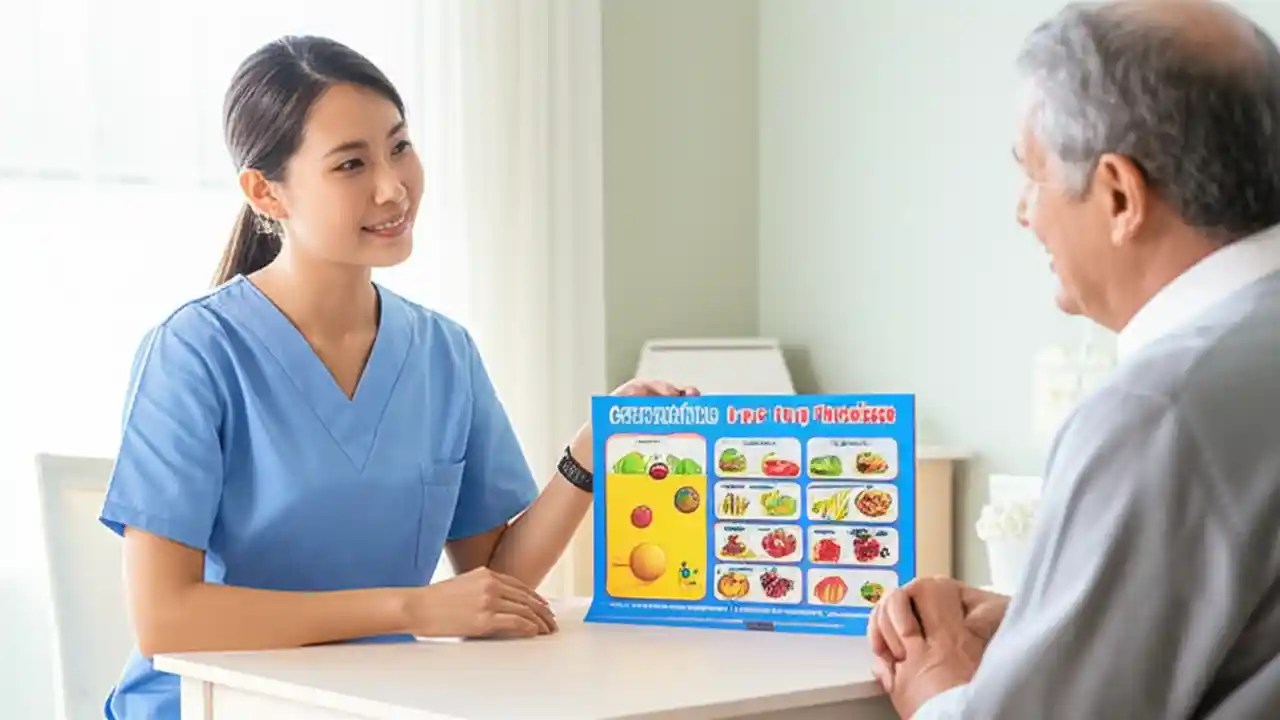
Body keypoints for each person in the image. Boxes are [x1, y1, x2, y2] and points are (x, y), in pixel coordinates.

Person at [97, 36, 694, 719]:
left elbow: (492, 581)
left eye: (400, 147)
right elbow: (165, 620)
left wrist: (593, 451)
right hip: (208, 706)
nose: (393, 186)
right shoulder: (195, 352)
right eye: (351, 164)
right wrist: (412, 607)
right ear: (266, 191)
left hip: (373, 704)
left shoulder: (444, 352)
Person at [868, 1, 1280, 717]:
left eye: (1034, 174)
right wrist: (1050, 618)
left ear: (1120, 195)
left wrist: (940, 688)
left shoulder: (1158, 413)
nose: (1023, 212)